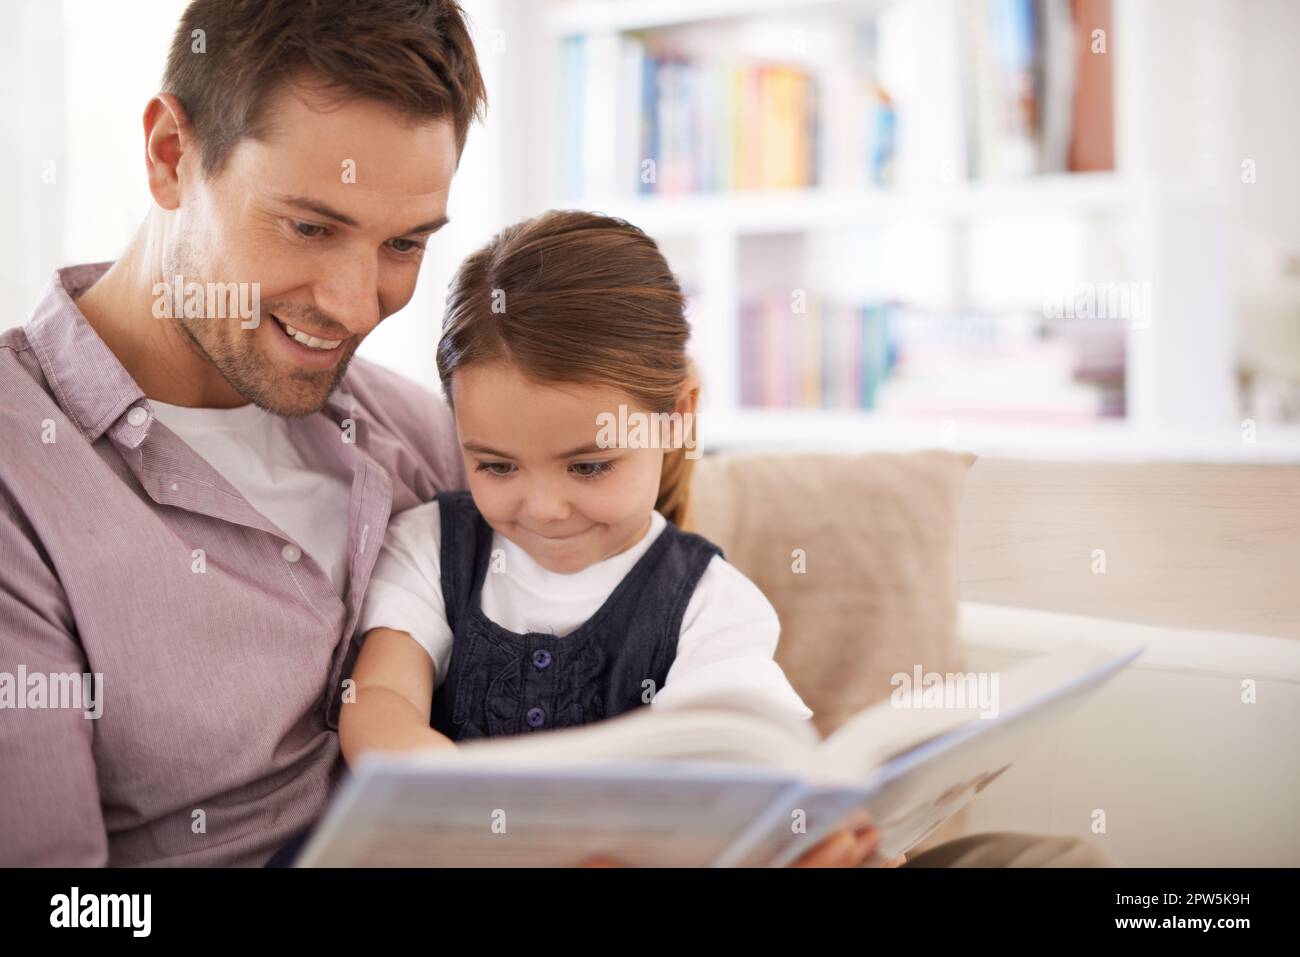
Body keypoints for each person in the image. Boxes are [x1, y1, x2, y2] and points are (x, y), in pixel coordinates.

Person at [0, 0, 1112, 869]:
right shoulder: (23, 480)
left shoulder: (420, 438)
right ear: (166, 154)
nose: (351, 303)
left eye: (404, 245)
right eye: (310, 226)